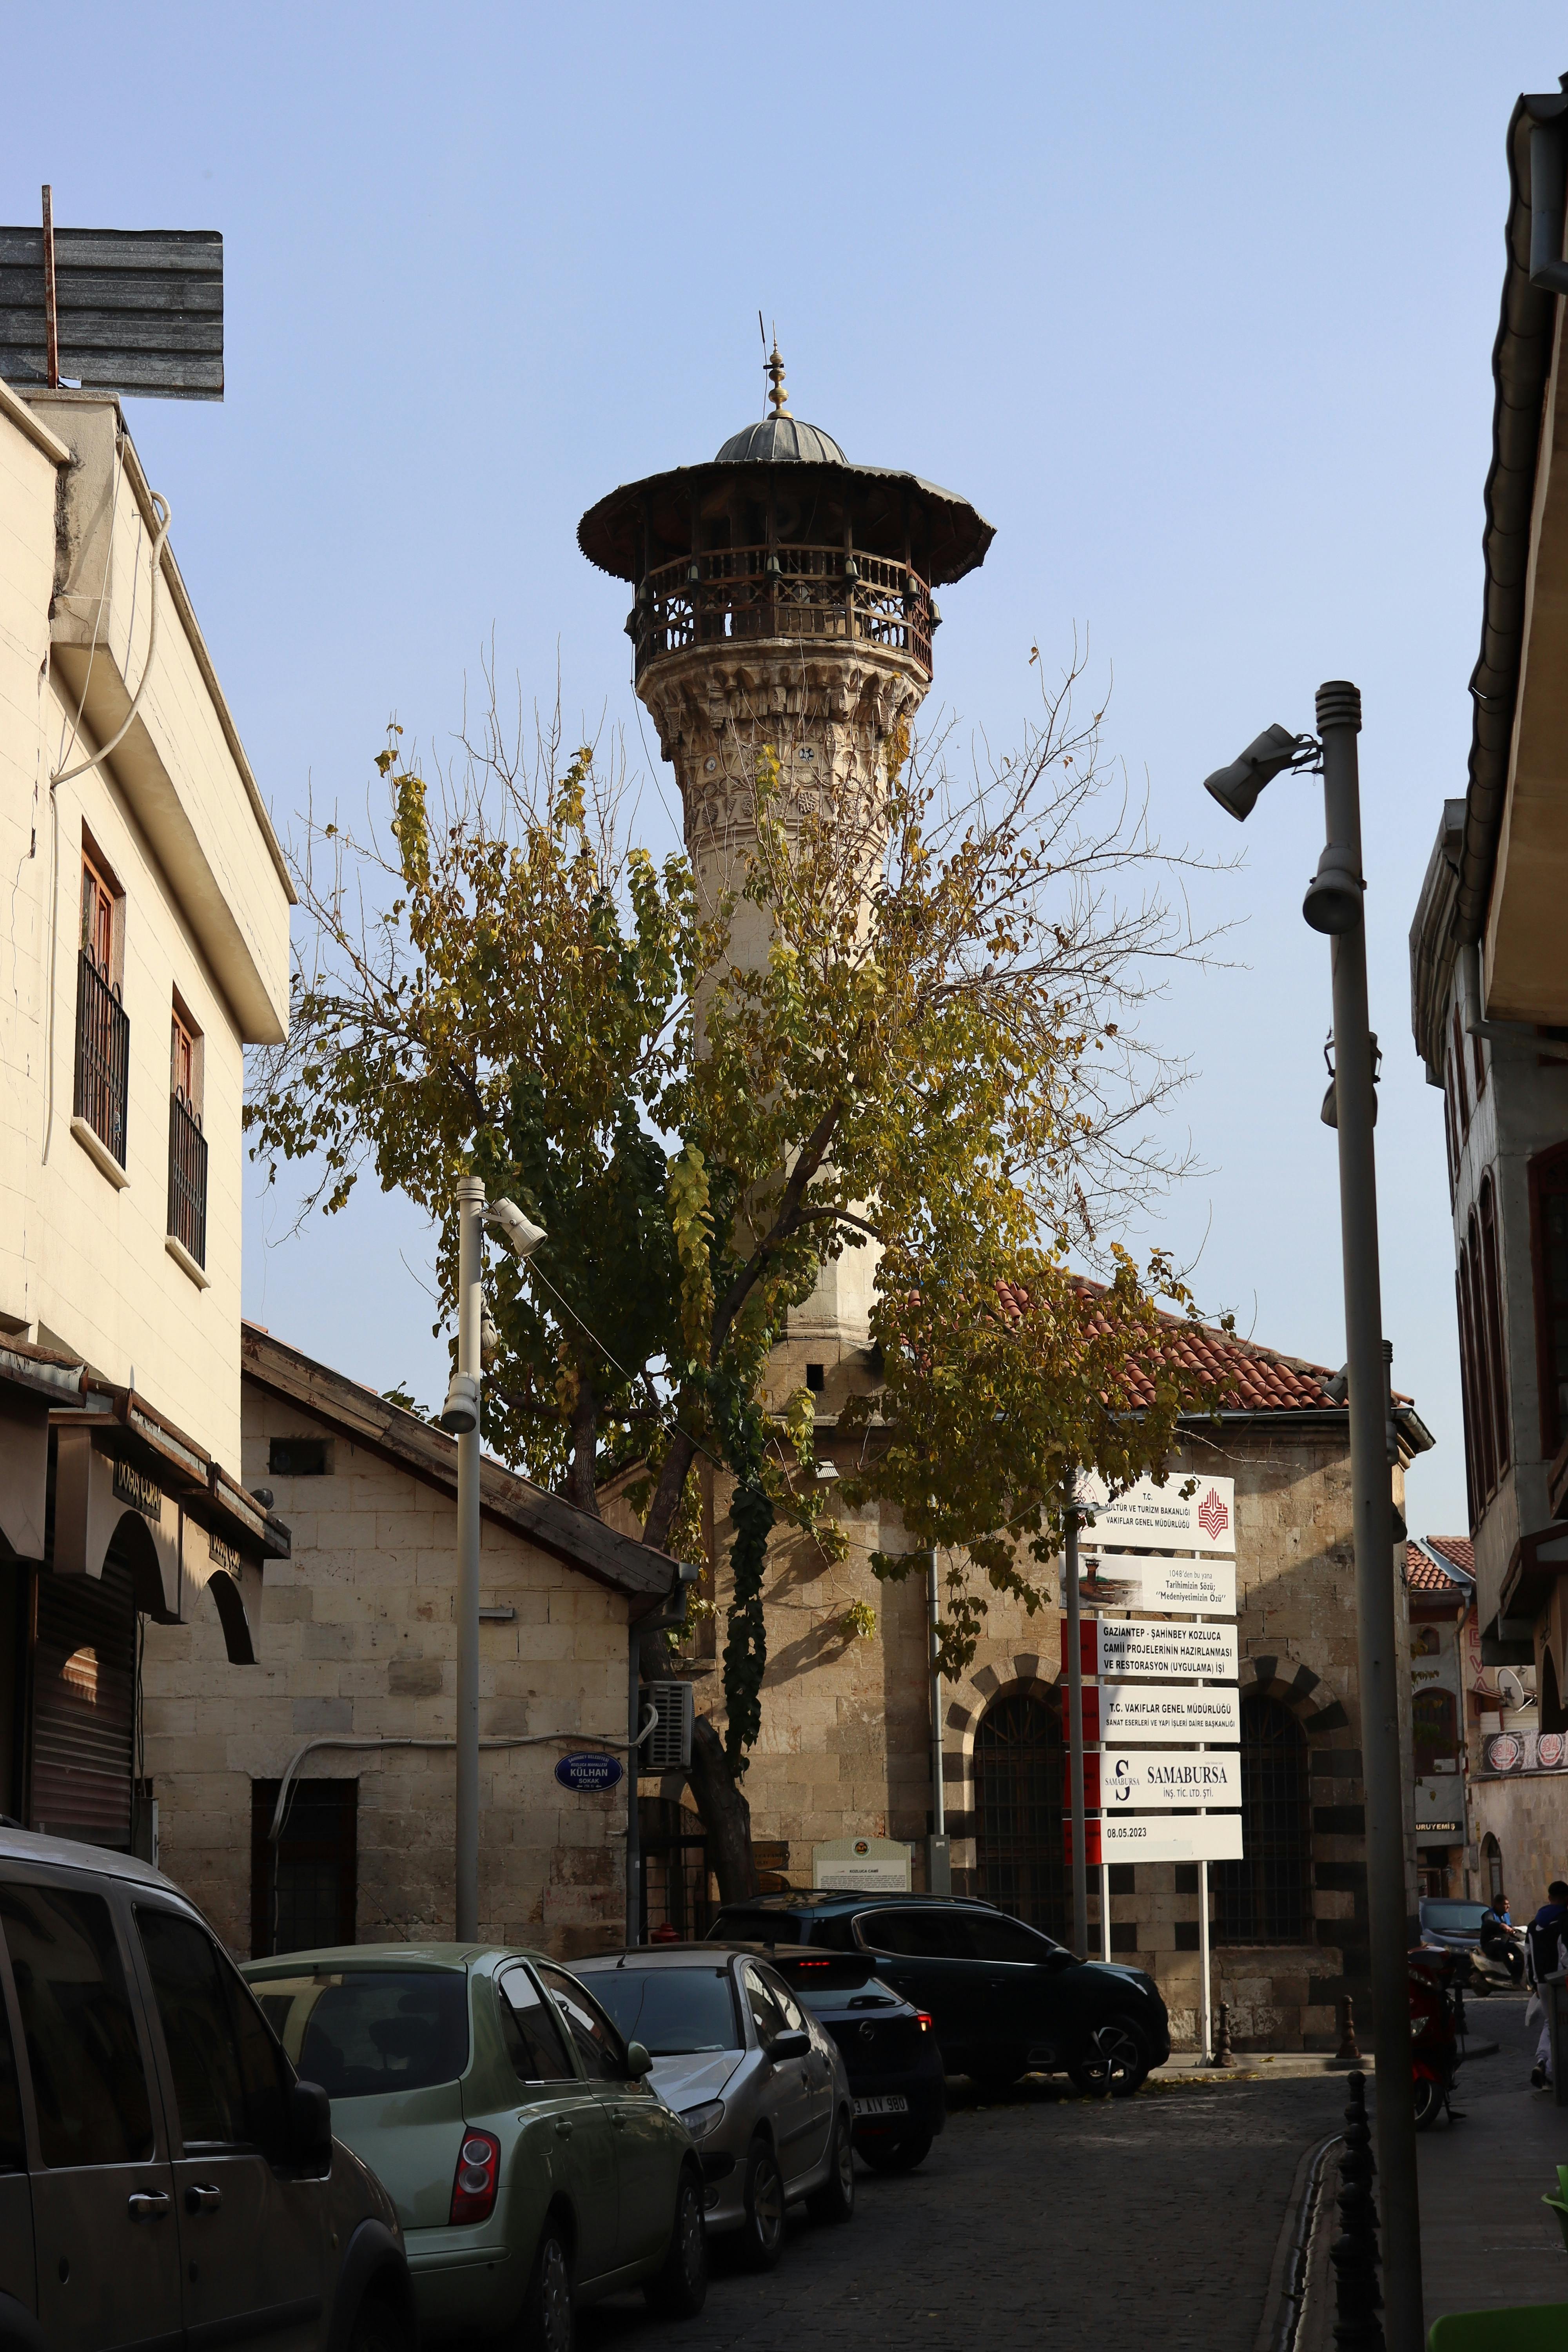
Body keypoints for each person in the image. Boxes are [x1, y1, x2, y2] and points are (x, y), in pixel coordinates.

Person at [1527, 1881, 1568, 2089]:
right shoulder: (1564, 1921)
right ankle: (1552, 2073)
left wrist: (1532, 1982)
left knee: (1550, 2023)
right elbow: (1566, 1953)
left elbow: (1529, 1954)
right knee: (1562, 2026)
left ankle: (1542, 2062)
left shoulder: (1534, 1924)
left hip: (1541, 1982)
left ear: (1550, 1897)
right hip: (1561, 1982)